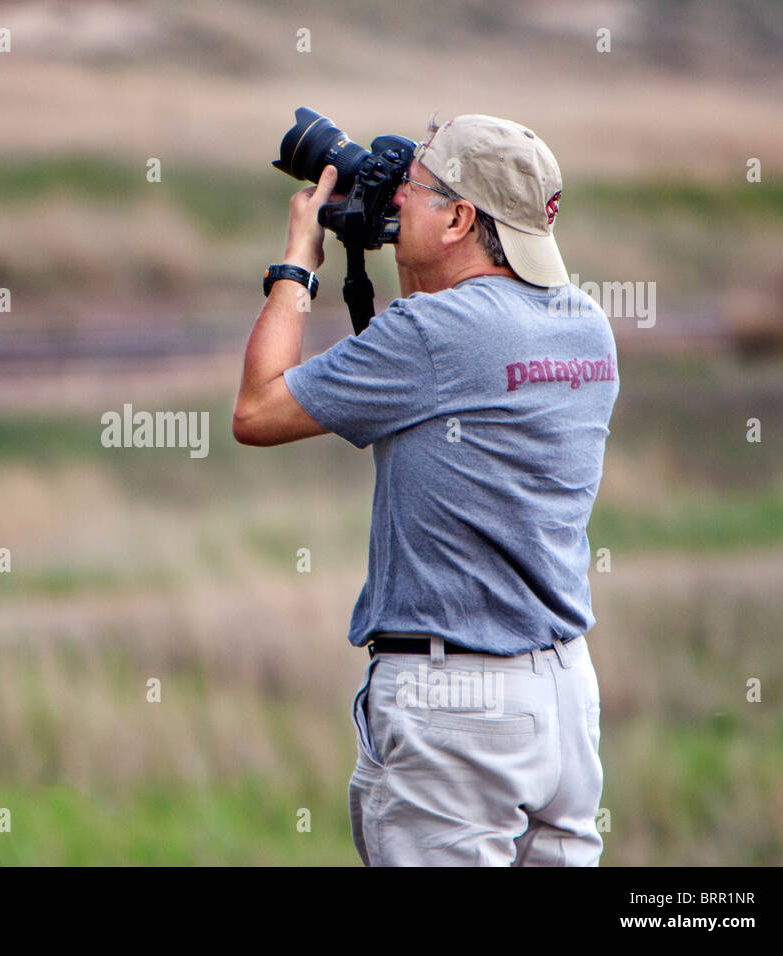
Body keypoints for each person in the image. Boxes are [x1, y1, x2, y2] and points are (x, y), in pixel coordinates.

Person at [232, 114, 619, 866]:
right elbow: (449, 353)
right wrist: (410, 244)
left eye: (412, 186)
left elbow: (257, 410)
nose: (397, 197)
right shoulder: (586, 326)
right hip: (565, 698)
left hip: (456, 709)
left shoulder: (433, 335)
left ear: (461, 218)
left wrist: (297, 264)